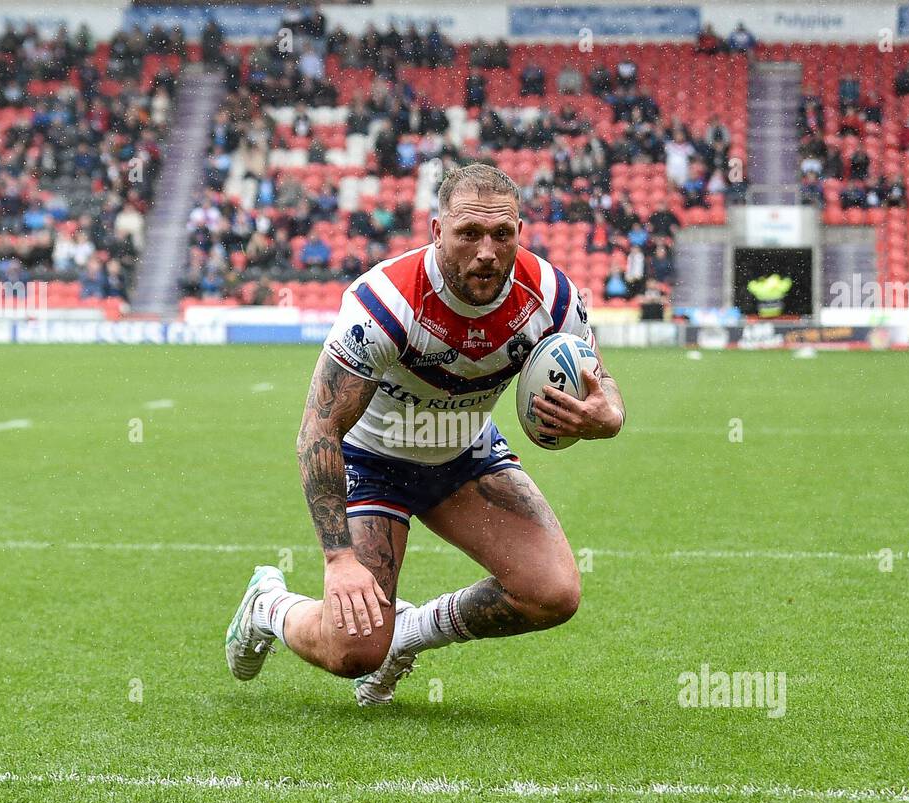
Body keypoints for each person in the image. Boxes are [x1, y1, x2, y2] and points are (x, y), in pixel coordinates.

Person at [224, 164, 626, 705]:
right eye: (469, 234)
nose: (486, 251)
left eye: (501, 235)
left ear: (520, 234)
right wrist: (338, 559)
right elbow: (318, 428)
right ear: (437, 232)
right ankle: (268, 605)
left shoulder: (552, 299)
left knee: (553, 594)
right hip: (373, 462)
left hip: (465, 455)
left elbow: (599, 380)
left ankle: (407, 637)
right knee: (353, 652)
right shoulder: (386, 302)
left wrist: (609, 416)